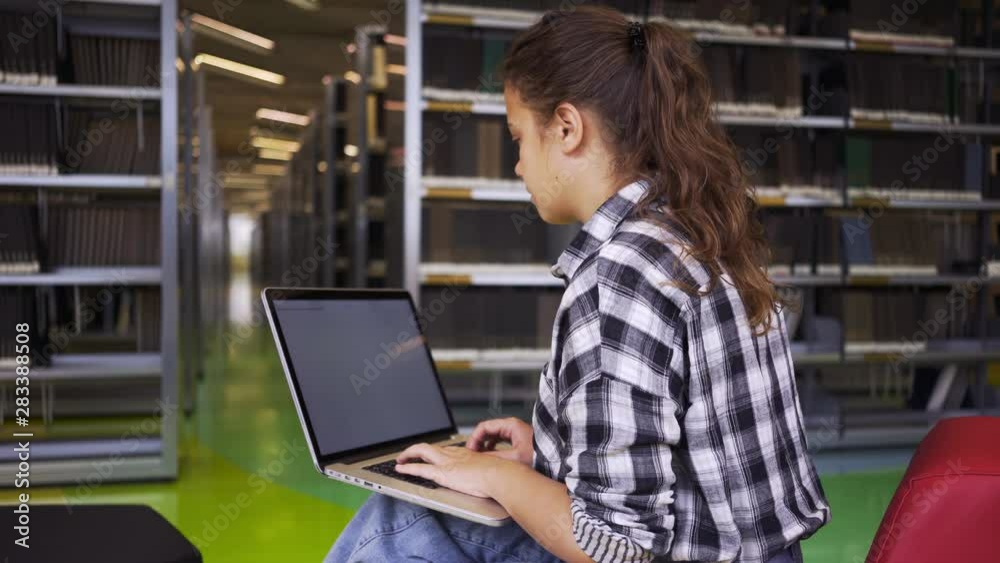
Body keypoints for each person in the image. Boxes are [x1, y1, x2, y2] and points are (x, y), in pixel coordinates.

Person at [327, 6, 830, 562]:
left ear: (566, 128)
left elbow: (617, 548)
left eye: (518, 137)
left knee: (400, 519)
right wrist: (550, 455)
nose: (517, 165)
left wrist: (495, 477)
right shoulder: (695, 235)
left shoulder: (620, 277)